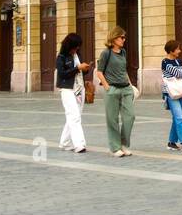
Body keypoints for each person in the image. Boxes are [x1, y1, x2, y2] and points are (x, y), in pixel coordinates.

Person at [95, 27, 136, 157]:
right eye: (121, 37)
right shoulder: (106, 53)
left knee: (130, 116)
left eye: (124, 37)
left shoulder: (123, 52)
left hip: (126, 88)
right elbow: (99, 72)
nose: (124, 40)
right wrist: (107, 87)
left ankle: (124, 144)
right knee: (112, 119)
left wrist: (130, 86)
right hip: (112, 89)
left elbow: (124, 70)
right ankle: (115, 147)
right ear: (114, 38)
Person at [55, 33, 89, 154]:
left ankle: (64, 143)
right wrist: (78, 68)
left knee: (74, 116)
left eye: (78, 47)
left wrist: (85, 69)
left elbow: (81, 72)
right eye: (75, 46)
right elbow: (63, 74)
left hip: (80, 89)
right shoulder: (61, 57)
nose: (77, 49)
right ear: (69, 45)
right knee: (74, 116)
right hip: (67, 89)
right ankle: (79, 144)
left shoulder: (77, 55)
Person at [161, 41, 182, 151]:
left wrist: (181, 73)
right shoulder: (165, 62)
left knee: (177, 118)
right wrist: (181, 73)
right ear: (171, 50)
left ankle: (171, 142)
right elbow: (179, 73)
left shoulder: (179, 61)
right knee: (179, 117)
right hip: (171, 93)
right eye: (178, 49)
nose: (180, 51)